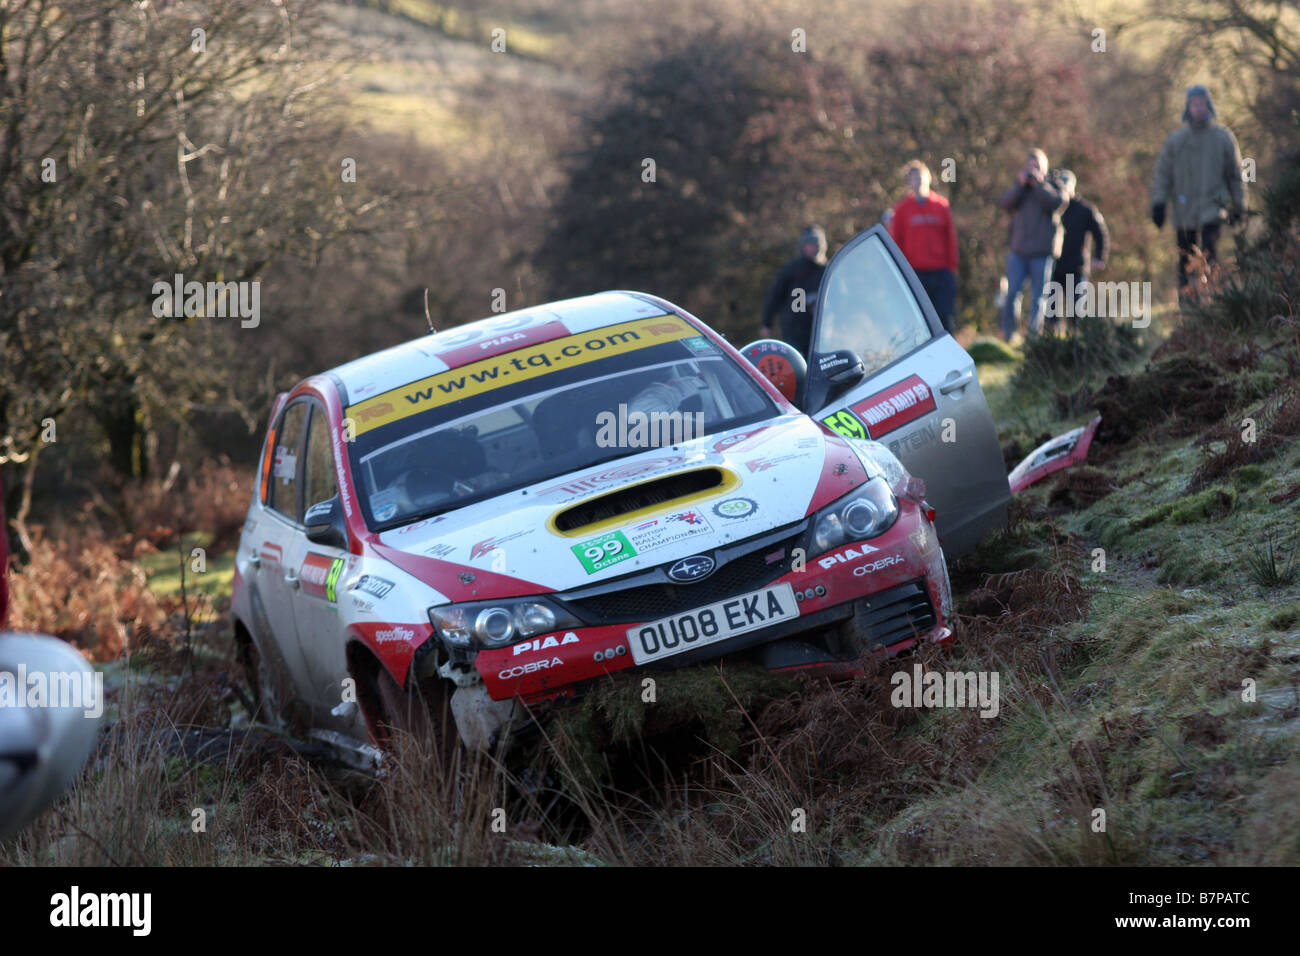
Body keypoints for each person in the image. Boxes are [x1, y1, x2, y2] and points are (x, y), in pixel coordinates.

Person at [1151, 83, 1246, 291]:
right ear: (1188, 107)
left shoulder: (1223, 138)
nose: (1198, 108)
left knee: (1210, 255)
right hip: (1184, 212)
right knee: (1185, 259)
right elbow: (1163, 175)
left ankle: (1212, 298)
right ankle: (1188, 306)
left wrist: (1239, 206)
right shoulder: (1176, 141)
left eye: (1201, 103)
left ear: (1208, 105)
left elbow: (1235, 175)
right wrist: (1158, 203)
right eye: (1194, 104)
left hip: (1213, 208)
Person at [998, 148, 1068, 343]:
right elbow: (1005, 204)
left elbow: (1056, 203)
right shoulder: (1021, 188)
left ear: (1045, 168)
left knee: (1038, 297)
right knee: (1012, 293)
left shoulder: (1054, 185)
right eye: (1030, 166)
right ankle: (1009, 334)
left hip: (1042, 253)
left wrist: (1039, 184)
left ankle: (1033, 336)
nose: (1032, 170)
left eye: (1037, 166)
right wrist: (1021, 186)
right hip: (1019, 251)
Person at [889, 160, 959, 333]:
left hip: (941, 272)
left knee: (945, 317)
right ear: (909, 183)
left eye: (921, 177)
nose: (918, 181)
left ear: (928, 178)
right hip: (916, 274)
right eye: (914, 178)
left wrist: (951, 267)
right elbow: (896, 242)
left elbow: (950, 238)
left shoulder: (941, 206)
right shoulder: (902, 209)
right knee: (918, 321)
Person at [1047, 168, 1109, 333]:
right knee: (1050, 312)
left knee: (1076, 311)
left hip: (1077, 268)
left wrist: (1099, 257)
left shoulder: (1085, 210)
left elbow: (1101, 233)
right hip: (1053, 266)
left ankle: (1076, 342)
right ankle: (1051, 345)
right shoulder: (1052, 206)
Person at [760, 225, 827, 359]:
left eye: (816, 244)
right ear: (803, 246)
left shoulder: (828, 270)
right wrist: (766, 323)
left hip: (822, 333)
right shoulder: (792, 269)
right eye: (810, 244)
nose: (813, 248)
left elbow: (840, 299)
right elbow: (775, 296)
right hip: (794, 333)